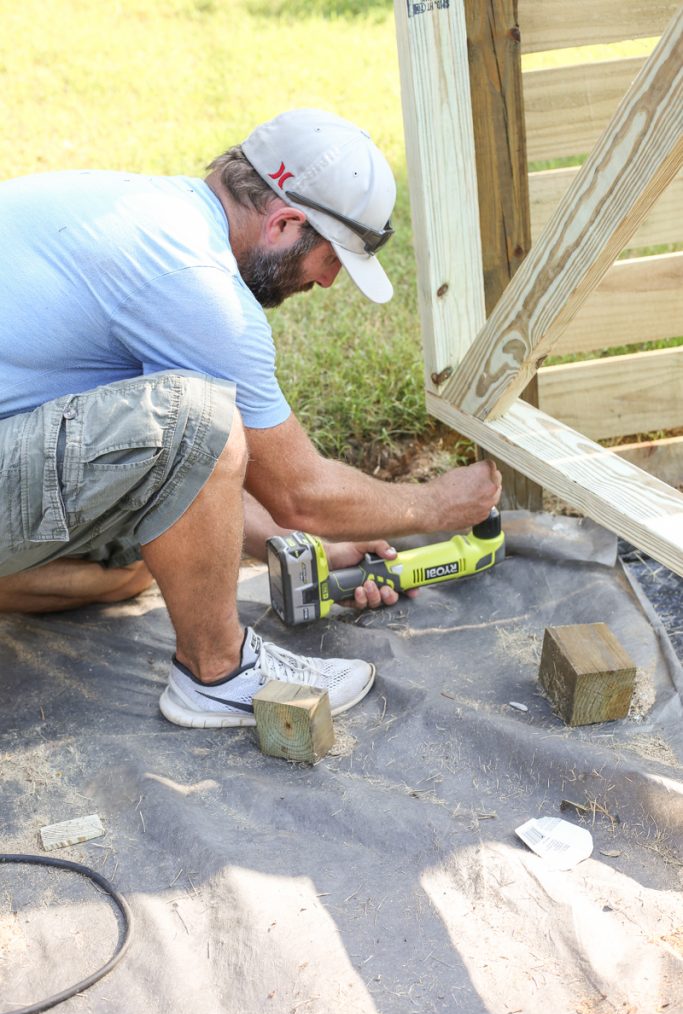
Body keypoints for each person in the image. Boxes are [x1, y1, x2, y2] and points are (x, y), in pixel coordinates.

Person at [0, 109, 502, 728]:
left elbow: (170, 479)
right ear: (286, 223)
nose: (328, 281)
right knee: (199, 417)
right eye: (332, 258)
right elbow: (299, 493)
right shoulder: (195, 285)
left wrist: (302, 548)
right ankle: (216, 675)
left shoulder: (151, 214)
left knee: (136, 567)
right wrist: (438, 507)